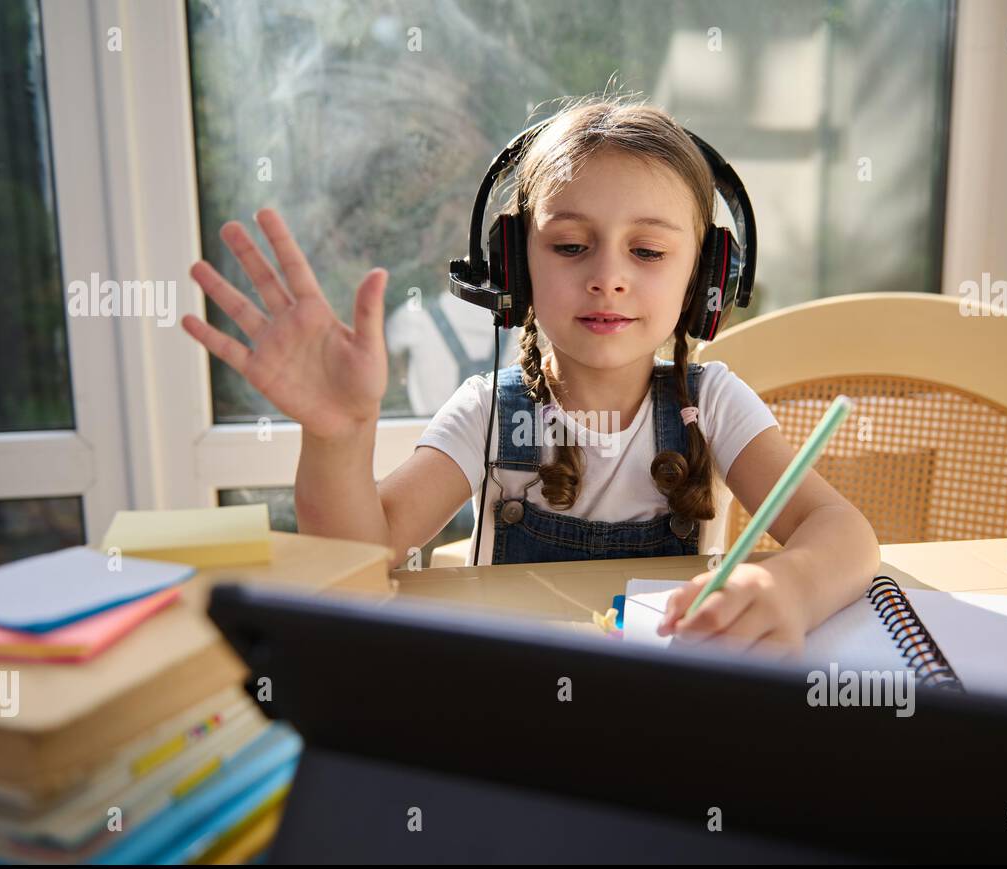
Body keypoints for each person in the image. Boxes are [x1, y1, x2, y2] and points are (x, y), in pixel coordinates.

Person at [181, 95, 881, 658]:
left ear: (703, 278)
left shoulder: (714, 402)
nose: (607, 277)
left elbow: (843, 534)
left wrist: (787, 587)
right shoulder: (488, 410)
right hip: (513, 694)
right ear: (513, 268)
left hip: (655, 692)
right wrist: (337, 436)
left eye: (647, 251)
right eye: (571, 246)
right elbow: (360, 555)